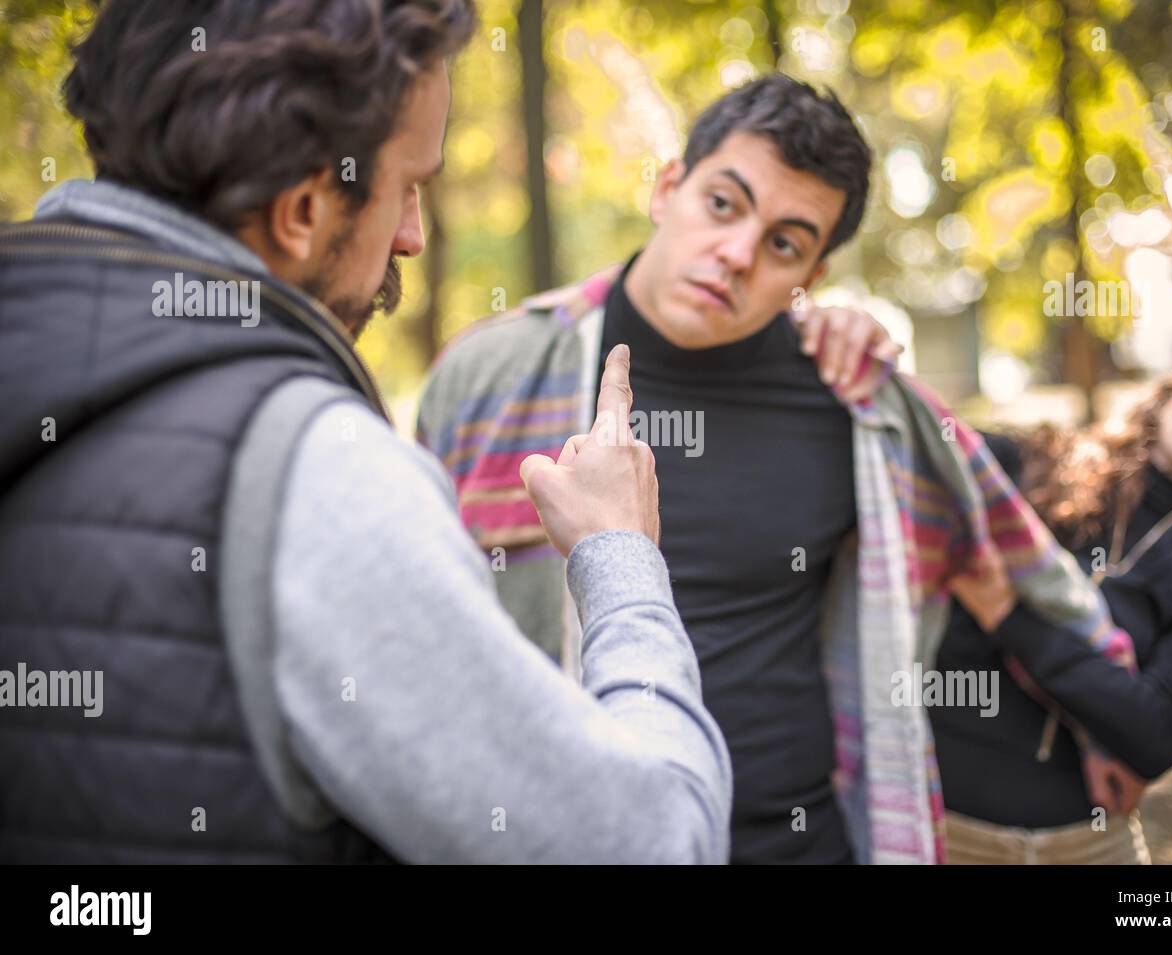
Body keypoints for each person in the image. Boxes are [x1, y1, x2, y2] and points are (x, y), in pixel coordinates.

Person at [0, 0, 733, 864]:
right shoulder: (317, 476)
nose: (416, 235)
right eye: (409, 183)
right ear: (306, 206)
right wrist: (620, 555)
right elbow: (653, 842)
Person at [418, 72, 1132, 864]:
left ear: (811, 275)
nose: (736, 254)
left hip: (801, 839)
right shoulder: (494, 375)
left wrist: (1102, 714)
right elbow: (415, 612)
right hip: (569, 836)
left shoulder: (863, 406)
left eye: (785, 242)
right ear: (668, 189)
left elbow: (1007, 551)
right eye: (723, 204)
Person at [935, 341, 1172, 864]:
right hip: (937, 833)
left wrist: (1006, 613)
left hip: (1086, 847)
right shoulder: (1023, 469)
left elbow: (1155, 733)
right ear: (1170, 394)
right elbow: (903, 432)